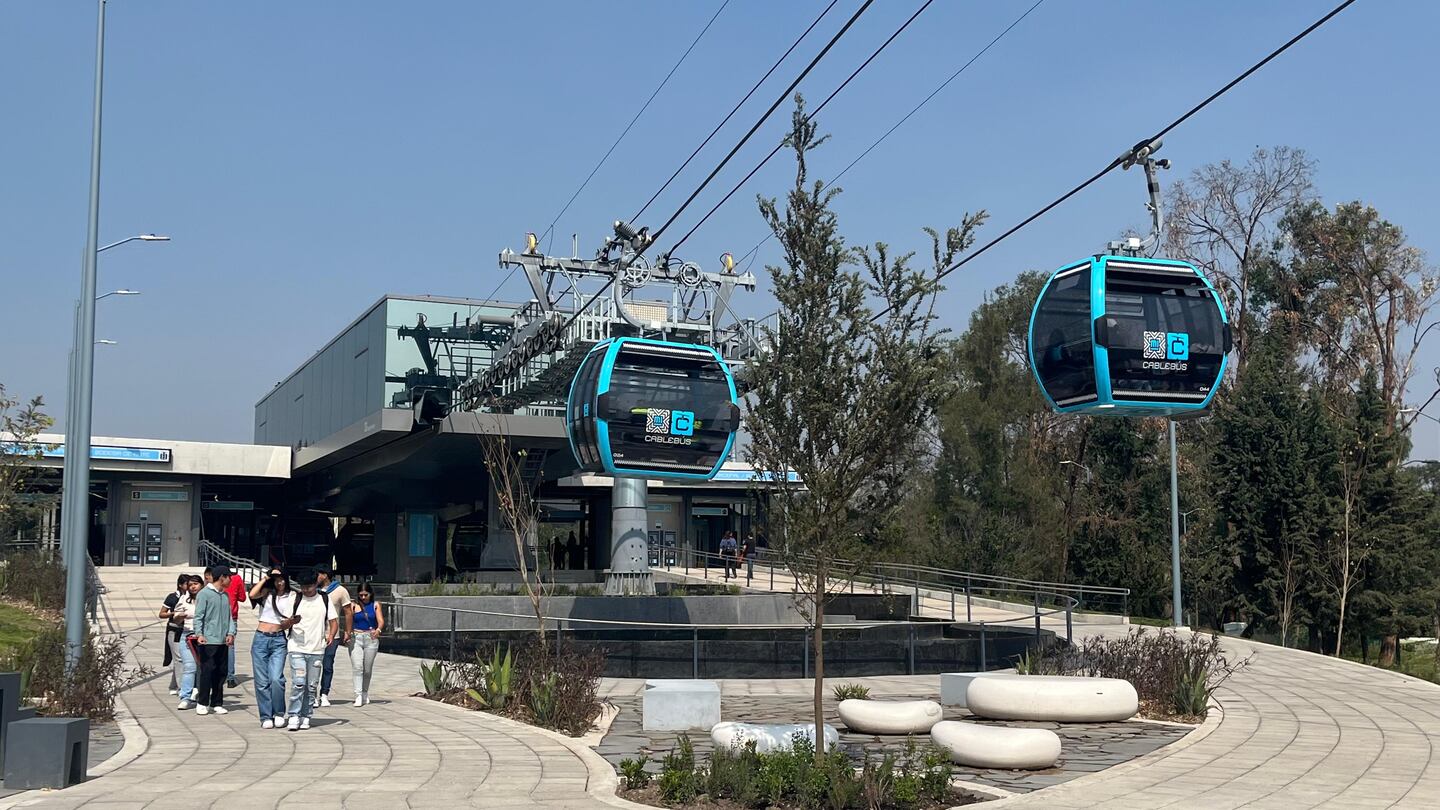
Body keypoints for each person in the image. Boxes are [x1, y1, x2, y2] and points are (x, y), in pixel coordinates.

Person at [286, 570, 337, 731]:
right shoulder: (295, 598)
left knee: (311, 685)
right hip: (297, 647)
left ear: (316, 584)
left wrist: (331, 635)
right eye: (303, 587)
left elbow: (333, 620)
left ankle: (306, 715)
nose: (306, 590)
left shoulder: (324, 598)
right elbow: (284, 623)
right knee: (299, 683)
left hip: (316, 649)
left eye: (309, 586)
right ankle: (293, 715)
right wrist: (292, 621)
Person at [249, 567, 299, 729]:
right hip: (261, 638)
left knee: (276, 679)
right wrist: (265, 578)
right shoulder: (267, 594)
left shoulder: (292, 596)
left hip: (278, 639)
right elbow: (251, 594)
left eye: (282, 578)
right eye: (277, 579)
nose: (280, 582)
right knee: (261, 681)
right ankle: (266, 716)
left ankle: (278, 712)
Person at [192, 565, 237, 716]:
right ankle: (202, 702)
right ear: (222, 577)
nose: (231, 580)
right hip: (208, 640)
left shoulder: (225, 595)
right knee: (207, 671)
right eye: (229, 577)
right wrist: (199, 634)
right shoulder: (204, 594)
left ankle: (217, 702)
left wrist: (231, 632)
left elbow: (230, 617)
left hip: (223, 640)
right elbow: (198, 616)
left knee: (221, 672)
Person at [314, 566, 352, 708]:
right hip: (314, 634)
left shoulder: (340, 591)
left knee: (328, 665)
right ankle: (313, 694)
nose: (316, 577)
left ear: (325, 575)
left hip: (332, 634)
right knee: (313, 665)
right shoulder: (312, 590)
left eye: (318, 574)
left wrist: (347, 631)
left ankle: (324, 693)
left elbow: (348, 612)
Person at [348, 583, 385, 707]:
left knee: (367, 669)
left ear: (370, 594)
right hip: (356, 637)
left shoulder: (375, 605)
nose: (363, 597)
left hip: (370, 637)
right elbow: (349, 620)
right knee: (357, 666)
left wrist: (378, 630)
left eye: (366, 595)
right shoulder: (354, 606)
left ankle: (365, 692)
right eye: (361, 595)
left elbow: (380, 621)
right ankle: (358, 694)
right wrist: (348, 633)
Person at [158, 574, 190, 695]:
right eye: (187, 584)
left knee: (182, 658)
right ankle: (182, 687)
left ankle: (173, 685)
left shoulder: (192, 597)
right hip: (174, 629)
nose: (190, 586)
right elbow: (161, 614)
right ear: (181, 585)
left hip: (186, 629)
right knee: (179, 658)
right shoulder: (172, 597)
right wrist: (174, 614)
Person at [224, 566, 248, 688]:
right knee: (230, 647)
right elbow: (243, 598)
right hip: (232, 616)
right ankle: (230, 678)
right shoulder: (237, 578)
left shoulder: (215, 578)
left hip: (215, 617)